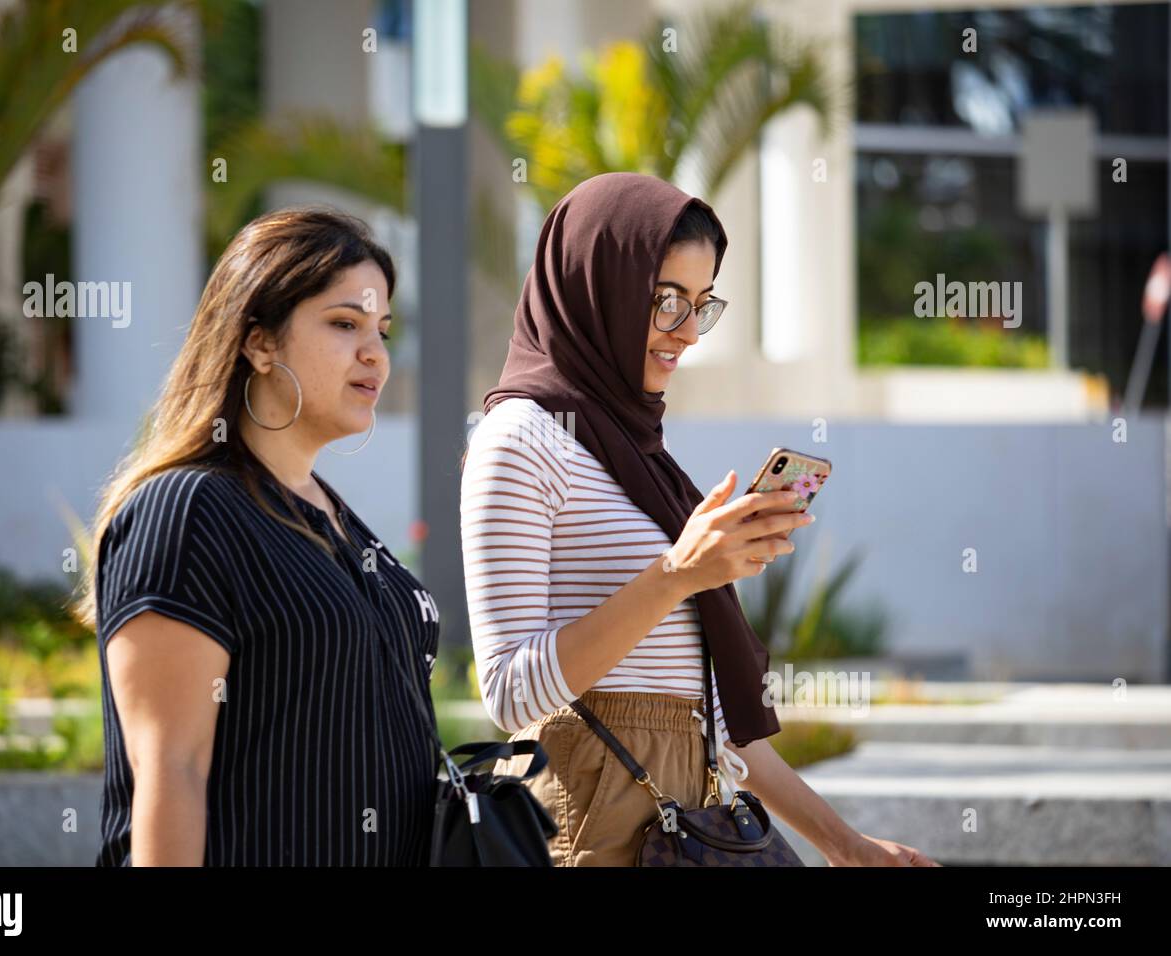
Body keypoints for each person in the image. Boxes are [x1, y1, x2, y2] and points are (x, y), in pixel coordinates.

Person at [460, 172, 936, 867]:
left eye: (702, 304)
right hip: (592, 822)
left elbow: (717, 729)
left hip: (686, 808)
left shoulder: (638, 454)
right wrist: (678, 573)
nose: (686, 333)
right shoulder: (519, 438)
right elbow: (509, 693)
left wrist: (847, 846)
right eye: (664, 302)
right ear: (599, 287)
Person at [74, 207, 440, 866]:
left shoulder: (336, 520)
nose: (374, 354)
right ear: (259, 343)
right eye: (343, 324)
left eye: (381, 329)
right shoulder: (187, 511)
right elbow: (173, 770)